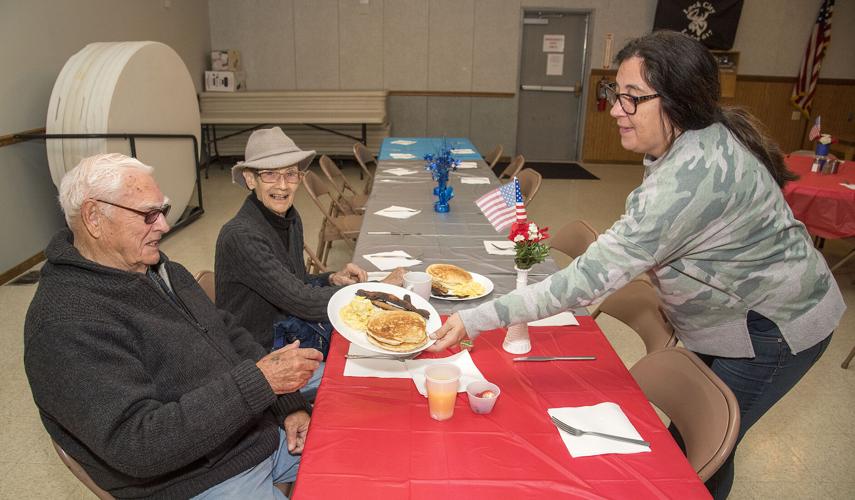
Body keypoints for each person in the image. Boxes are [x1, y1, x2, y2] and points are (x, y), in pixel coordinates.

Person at [430, 31, 844, 499]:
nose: (616, 109)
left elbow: (586, 280)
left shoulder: (691, 177)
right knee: (688, 450)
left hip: (775, 326)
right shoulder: (685, 138)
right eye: (615, 93)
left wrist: (474, 319)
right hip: (737, 315)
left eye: (632, 98)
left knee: (697, 454)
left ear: (679, 100)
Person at [24, 153, 323, 499]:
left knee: (363, 447)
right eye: (148, 214)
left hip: (255, 437)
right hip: (199, 481)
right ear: (93, 217)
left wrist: (289, 405)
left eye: (162, 211)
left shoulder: (162, 271)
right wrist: (260, 383)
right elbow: (140, 444)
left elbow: (231, 334)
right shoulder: (65, 324)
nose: (164, 227)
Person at [215, 127, 402, 377]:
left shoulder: (289, 219)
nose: (282, 185)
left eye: (291, 174)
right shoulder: (241, 236)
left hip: (291, 332)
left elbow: (296, 282)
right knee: (370, 372)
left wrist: (330, 279)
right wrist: (376, 292)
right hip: (263, 356)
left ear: (300, 178)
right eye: (270, 174)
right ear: (251, 180)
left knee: (385, 349)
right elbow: (301, 301)